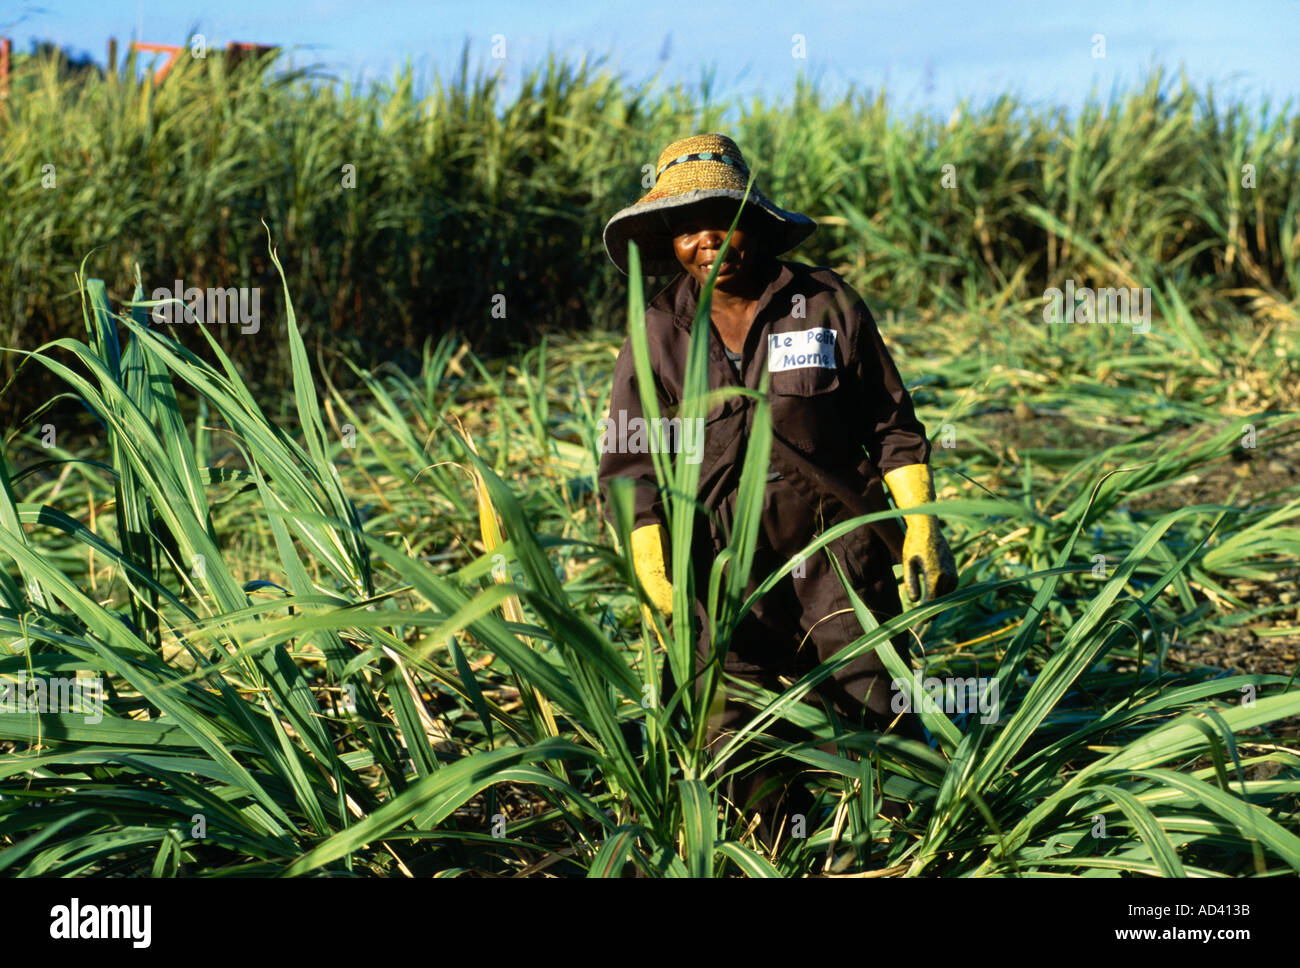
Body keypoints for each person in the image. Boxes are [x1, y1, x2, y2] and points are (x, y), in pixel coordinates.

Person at [596, 133, 958, 854]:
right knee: (734, 736)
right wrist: (651, 561)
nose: (709, 240)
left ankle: (901, 852)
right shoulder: (657, 331)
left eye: (723, 218)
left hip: (837, 552)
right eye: (688, 225)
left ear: (754, 221)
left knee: (875, 710)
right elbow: (631, 462)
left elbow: (891, 426)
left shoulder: (823, 303)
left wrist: (919, 525)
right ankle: (774, 854)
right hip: (720, 565)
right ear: (668, 237)